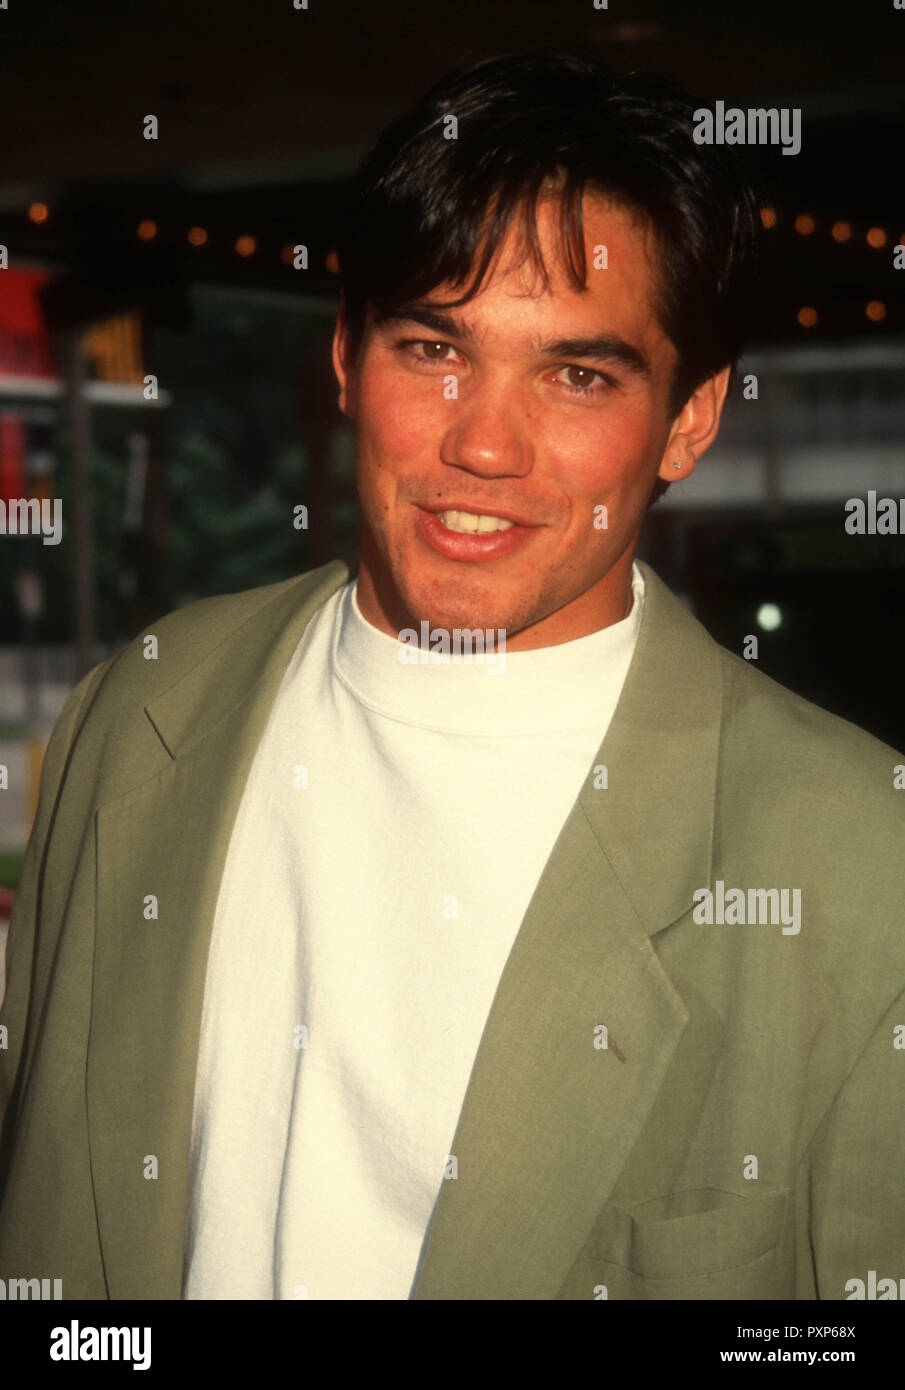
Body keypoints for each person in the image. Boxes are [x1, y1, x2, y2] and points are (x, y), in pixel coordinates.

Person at [1, 50, 903, 1302]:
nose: (482, 442)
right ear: (345, 357)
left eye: (577, 374)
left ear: (689, 423)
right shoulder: (133, 711)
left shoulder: (859, 859)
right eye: (434, 348)